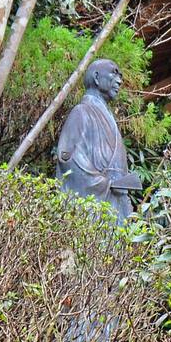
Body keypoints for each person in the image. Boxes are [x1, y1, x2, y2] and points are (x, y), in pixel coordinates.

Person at [55, 58, 142, 221]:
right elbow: (69, 158)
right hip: (97, 202)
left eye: (121, 76)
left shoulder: (108, 117)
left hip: (116, 202)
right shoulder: (81, 112)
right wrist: (106, 184)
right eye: (114, 74)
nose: (120, 81)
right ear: (96, 77)